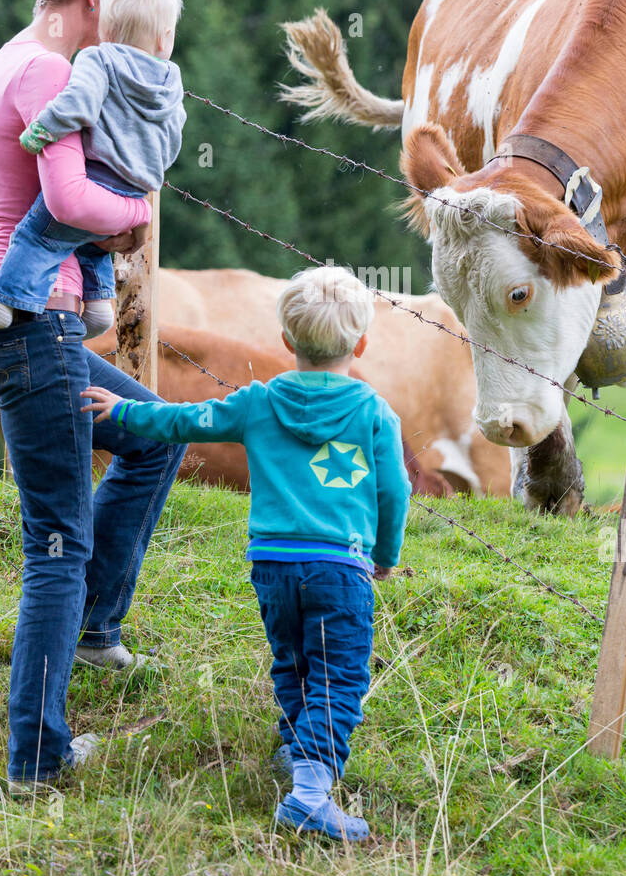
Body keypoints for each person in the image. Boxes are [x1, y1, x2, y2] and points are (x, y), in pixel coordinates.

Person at [0, 0, 187, 794]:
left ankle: (93, 628)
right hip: (26, 326)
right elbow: (73, 200)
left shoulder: (6, 56)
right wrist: (138, 212)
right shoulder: (53, 70)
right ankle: (36, 756)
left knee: (155, 435)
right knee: (56, 539)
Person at [82, 265, 412, 842]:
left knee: (293, 659)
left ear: (286, 342)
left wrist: (124, 409)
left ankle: (295, 745)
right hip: (341, 568)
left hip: (273, 566)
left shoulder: (256, 402)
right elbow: (394, 491)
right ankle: (310, 795)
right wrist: (385, 553)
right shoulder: (374, 414)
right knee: (340, 676)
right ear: (361, 343)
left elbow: (184, 420)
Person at [0, 0, 186, 338]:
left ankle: (1, 301)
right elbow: (174, 132)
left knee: (36, 235)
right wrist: (148, 179)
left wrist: (41, 131)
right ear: (165, 37)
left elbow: (77, 105)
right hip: (137, 182)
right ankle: (98, 304)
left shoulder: (97, 59)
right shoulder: (170, 79)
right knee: (91, 243)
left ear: (106, 28)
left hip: (97, 176)